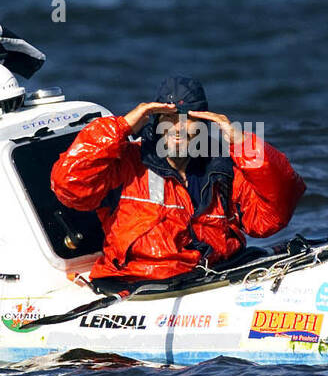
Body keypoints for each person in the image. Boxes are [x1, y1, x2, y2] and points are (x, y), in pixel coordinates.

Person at [50, 76, 305, 281]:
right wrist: (122, 125)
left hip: (217, 280)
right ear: (155, 122)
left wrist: (242, 143)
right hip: (141, 287)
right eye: (169, 119)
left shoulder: (222, 169)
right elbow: (68, 185)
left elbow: (273, 217)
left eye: (189, 119)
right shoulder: (124, 164)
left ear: (204, 125)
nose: (178, 129)